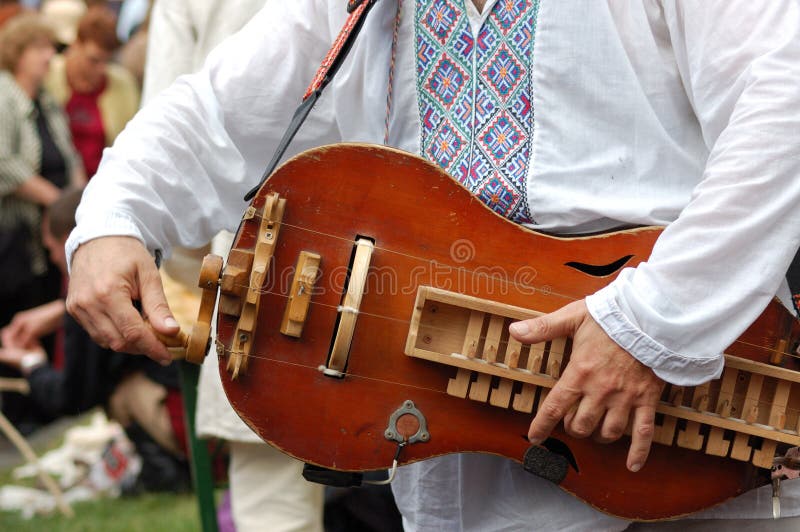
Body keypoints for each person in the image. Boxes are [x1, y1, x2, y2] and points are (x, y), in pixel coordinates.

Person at [64, 1, 800, 531]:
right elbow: (213, 116)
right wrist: (112, 219)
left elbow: (784, 99)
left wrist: (652, 320)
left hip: (703, 407)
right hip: (461, 446)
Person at [140, 1, 326, 530]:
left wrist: (192, 263)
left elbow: (169, 132)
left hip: (265, 253)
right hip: (398, 237)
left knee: (277, 508)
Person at [0, 187, 190, 493]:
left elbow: (73, 397)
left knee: (118, 392)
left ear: (69, 241)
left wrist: (30, 362)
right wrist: (59, 311)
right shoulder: (143, 250)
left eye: (51, 249)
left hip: (190, 419)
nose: (51, 258)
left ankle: (167, 473)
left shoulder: (97, 289)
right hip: (210, 396)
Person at [0, 11, 85, 432]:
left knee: (48, 301)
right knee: (17, 307)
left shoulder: (45, 99)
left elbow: (65, 153)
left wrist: (79, 198)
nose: (49, 57)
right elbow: (4, 164)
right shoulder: (4, 95)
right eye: (41, 48)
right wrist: (59, 202)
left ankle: (43, 398)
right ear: (19, 52)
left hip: (52, 226)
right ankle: (16, 409)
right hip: (16, 232)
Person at [44, 5, 140, 178]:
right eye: (93, 60)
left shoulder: (122, 84)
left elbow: (131, 143)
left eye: (107, 61)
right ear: (76, 45)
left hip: (105, 179)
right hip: (58, 180)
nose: (101, 69)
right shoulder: (48, 76)